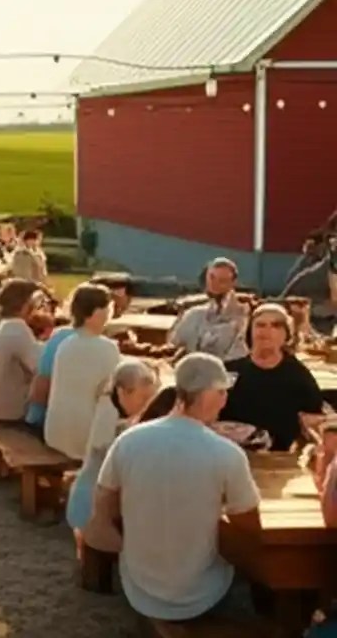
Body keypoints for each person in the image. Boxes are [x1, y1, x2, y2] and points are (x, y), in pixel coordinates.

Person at [85, 353, 260, 623]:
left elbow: (103, 507)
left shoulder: (129, 439)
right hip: (203, 592)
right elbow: (249, 528)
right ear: (216, 395)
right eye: (223, 392)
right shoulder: (227, 453)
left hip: (138, 584)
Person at [65, 359, 158, 556]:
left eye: (151, 399)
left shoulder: (114, 409)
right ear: (123, 392)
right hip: (91, 505)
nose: (147, 405)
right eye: (143, 398)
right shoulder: (109, 415)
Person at [220, 303, 325, 451]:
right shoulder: (229, 371)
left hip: (281, 457)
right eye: (260, 325)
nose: (266, 331)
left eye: (275, 326)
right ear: (250, 331)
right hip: (231, 453)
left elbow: (314, 424)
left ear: (286, 335)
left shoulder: (299, 376)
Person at [44, 284, 121, 460]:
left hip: (55, 432)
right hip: (84, 438)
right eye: (107, 308)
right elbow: (111, 391)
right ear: (95, 313)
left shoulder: (66, 344)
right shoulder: (106, 348)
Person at [0, 279, 45, 423]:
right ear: (26, 305)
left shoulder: (2, 323)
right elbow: (40, 367)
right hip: (10, 411)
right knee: (48, 384)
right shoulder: (17, 328)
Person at [169, 257, 248, 360]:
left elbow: (239, 355)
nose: (214, 283)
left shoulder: (243, 318)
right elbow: (173, 346)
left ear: (232, 283)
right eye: (211, 277)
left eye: (222, 280)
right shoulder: (193, 314)